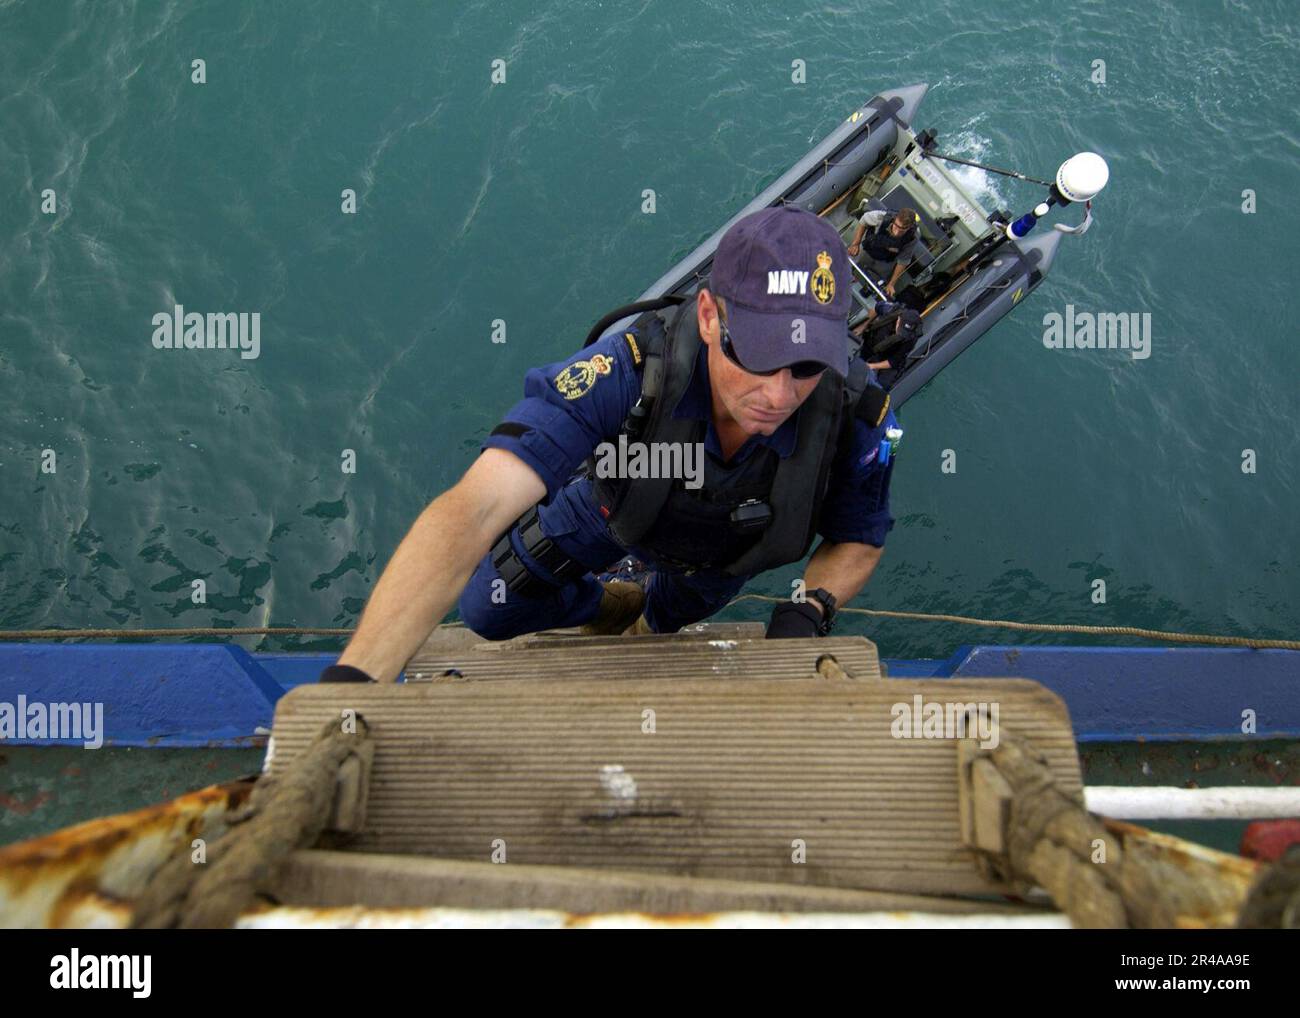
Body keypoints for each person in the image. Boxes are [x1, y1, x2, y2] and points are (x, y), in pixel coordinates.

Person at [320, 205, 902, 685]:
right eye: (756, 354)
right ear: (706, 317)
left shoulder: (857, 412)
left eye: (805, 365)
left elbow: (860, 535)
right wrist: (356, 681)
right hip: (611, 511)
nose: (778, 394)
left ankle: (644, 617)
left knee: (657, 636)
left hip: (718, 564)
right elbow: (474, 508)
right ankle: (610, 603)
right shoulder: (626, 372)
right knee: (488, 609)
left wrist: (811, 604)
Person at [846, 207, 919, 299]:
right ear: (895, 219)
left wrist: (891, 284)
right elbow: (864, 220)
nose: (896, 232)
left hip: (885, 262)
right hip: (867, 250)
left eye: (902, 229)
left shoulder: (913, 237)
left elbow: (903, 260)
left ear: (910, 226)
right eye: (896, 226)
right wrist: (855, 244)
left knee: (870, 288)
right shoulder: (881, 217)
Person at [853, 301, 923, 385]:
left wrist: (871, 366)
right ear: (899, 319)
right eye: (900, 329)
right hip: (872, 343)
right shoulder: (890, 309)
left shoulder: (910, 338)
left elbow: (893, 361)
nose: (900, 332)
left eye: (903, 332)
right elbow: (876, 308)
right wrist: (863, 326)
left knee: (879, 384)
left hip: (888, 356)